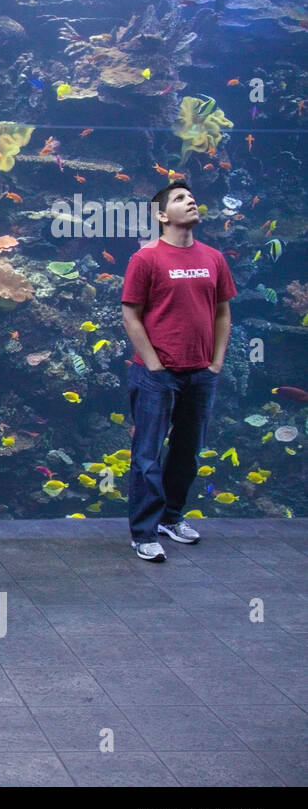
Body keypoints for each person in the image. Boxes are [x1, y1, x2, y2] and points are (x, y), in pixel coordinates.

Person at [121, 181, 233, 562]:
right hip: (156, 373)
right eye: (181, 199)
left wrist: (215, 362)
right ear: (162, 215)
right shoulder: (147, 258)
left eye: (193, 197)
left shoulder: (214, 258)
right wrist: (153, 362)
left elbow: (222, 312)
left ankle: (171, 517)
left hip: (201, 372)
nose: (191, 201)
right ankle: (144, 532)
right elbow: (130, 314)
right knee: (148, 455)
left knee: (187, 452)